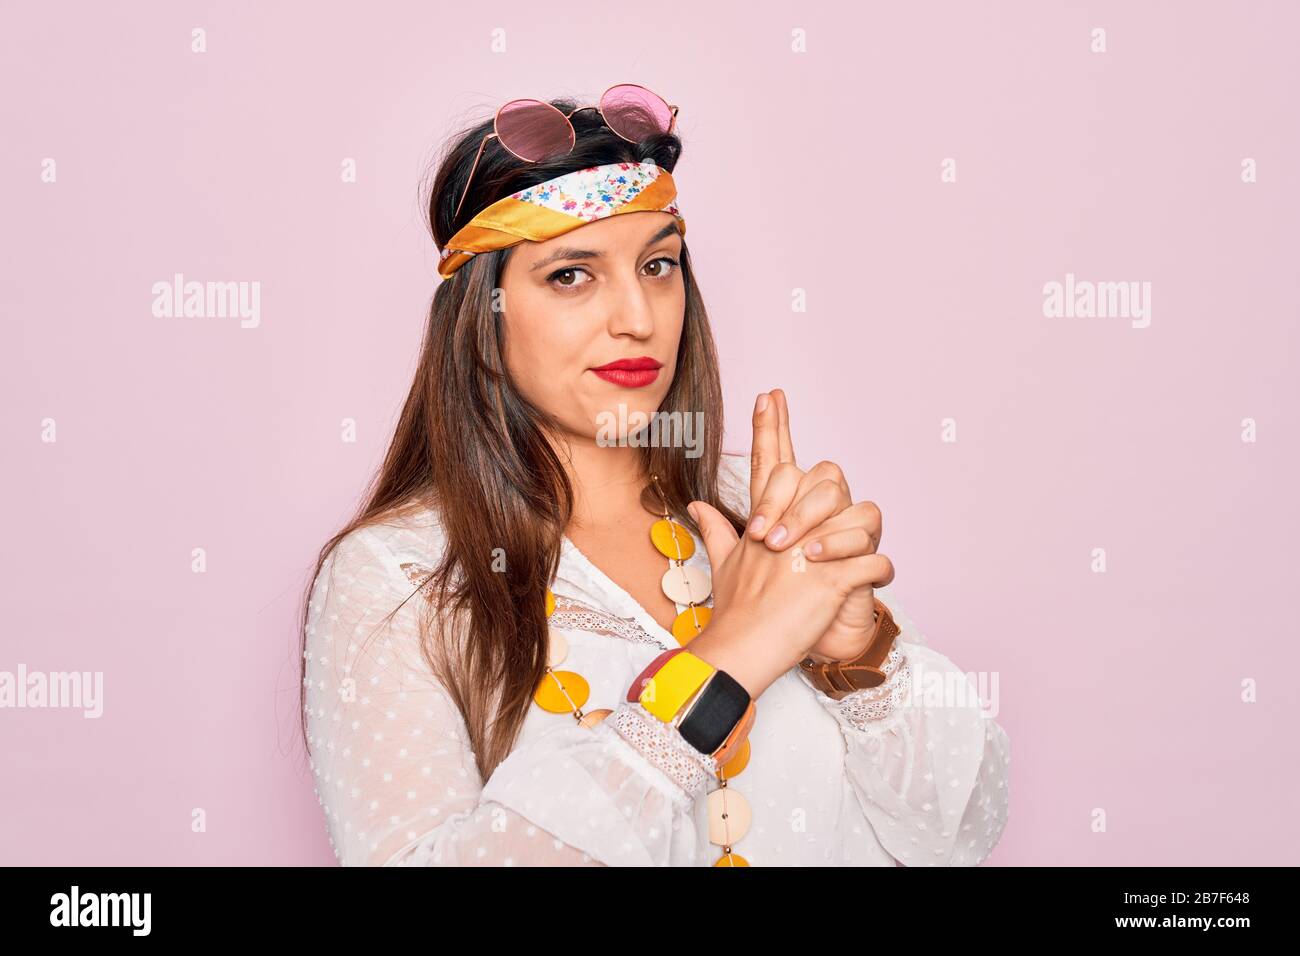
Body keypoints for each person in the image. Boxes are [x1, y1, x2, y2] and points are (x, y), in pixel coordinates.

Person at [299, 85, 1010, 866]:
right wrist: (727, 659)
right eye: (572, 275)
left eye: (658, 265)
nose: (637, 316)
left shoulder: (760, 511)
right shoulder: (399, 575)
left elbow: (959, 837)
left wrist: (858, 658)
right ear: (482, 313)